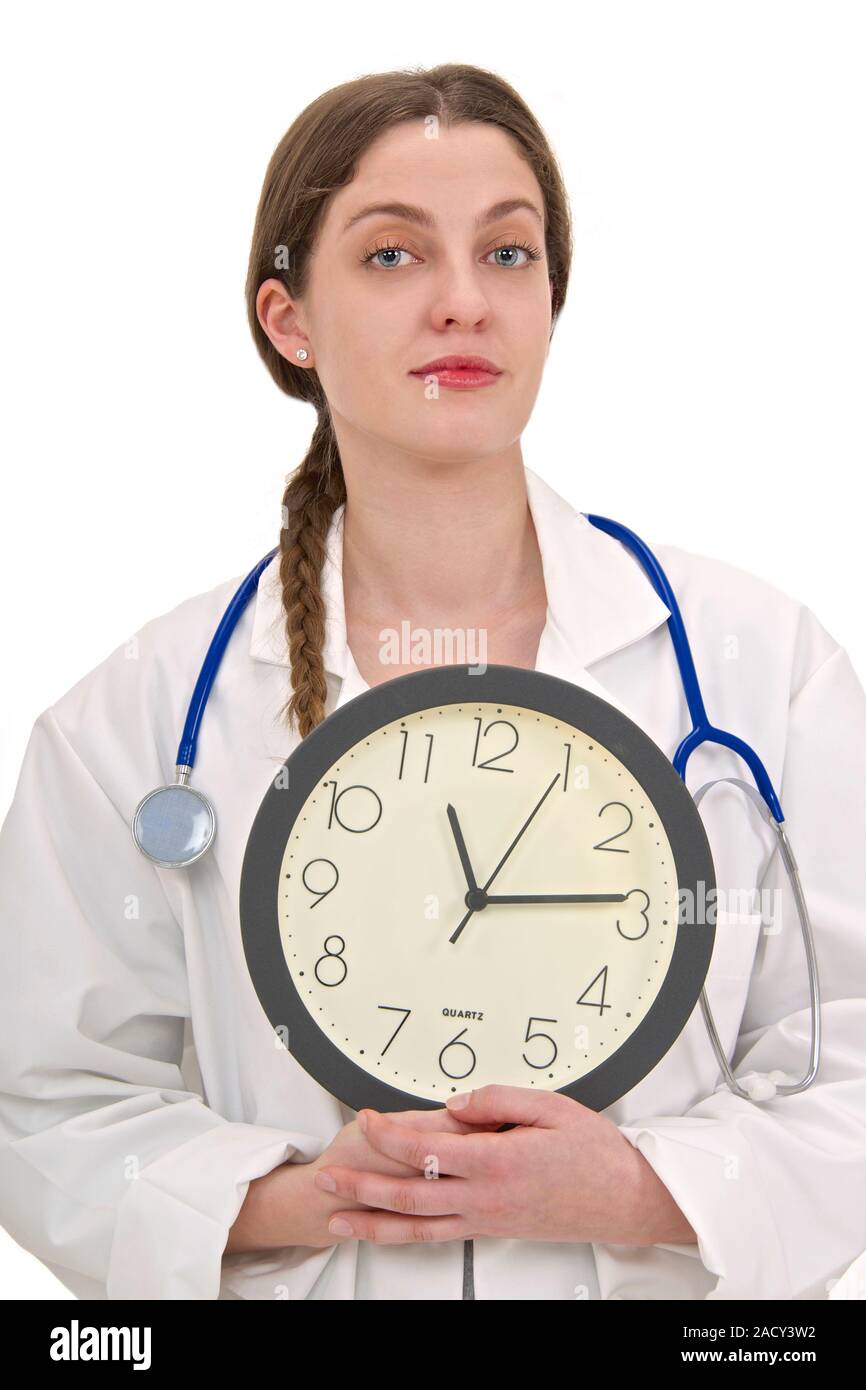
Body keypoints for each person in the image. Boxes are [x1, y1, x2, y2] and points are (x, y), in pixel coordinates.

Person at [1, 63, 865, 1302]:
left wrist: (634, 1189)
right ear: (288, 318)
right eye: (393, 257)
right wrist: (321, 1195)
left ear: (552, 297)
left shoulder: (761, 672)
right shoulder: (135, 722)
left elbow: (846, 1050)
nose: (463, 302)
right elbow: (47, 1100)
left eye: (507, 256)